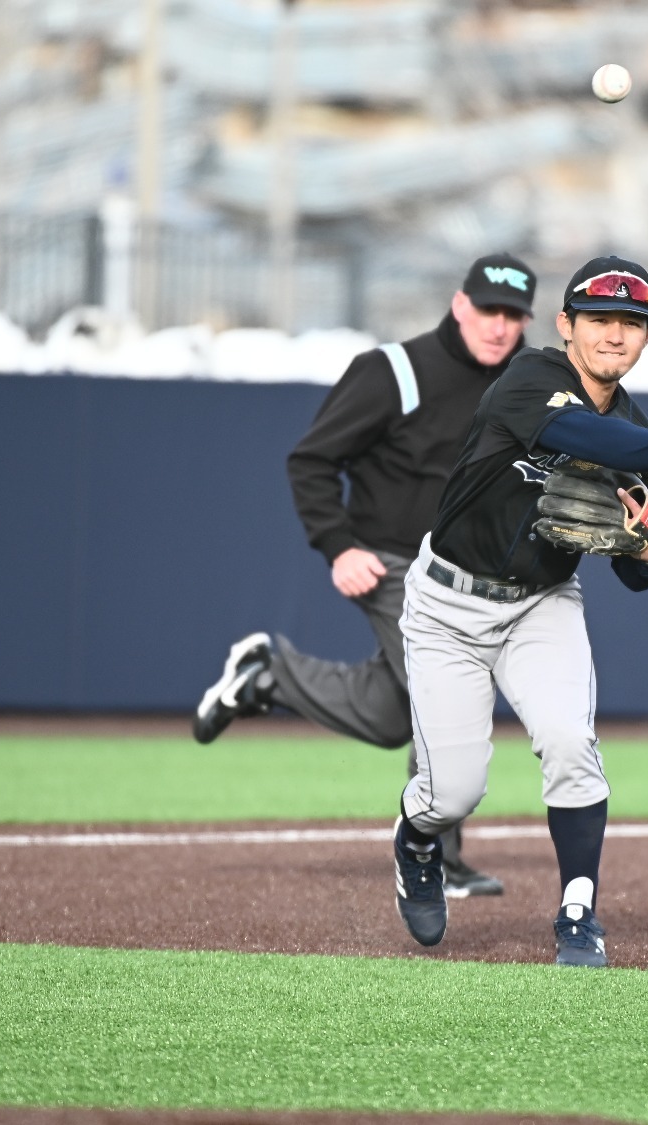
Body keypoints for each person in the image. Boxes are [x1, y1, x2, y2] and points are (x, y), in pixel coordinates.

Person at [387, 255, 648, 967]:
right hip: (447, 605)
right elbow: (589, 437)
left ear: (646, 339)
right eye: (600, 320)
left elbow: (645, 572)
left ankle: (577, 910)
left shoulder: (639, 441)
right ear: (566, 326)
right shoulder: (529, 380)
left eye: (632, 325)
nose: (615, 336)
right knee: (453, 791)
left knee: (570, 744)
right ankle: (418, 838)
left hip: (540, 605)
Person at [192, 253, 542, 898]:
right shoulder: (395, 371)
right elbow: (312, 460)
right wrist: (339, 546)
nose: (499, 326)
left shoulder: (521, 380)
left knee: (391, 716)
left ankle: (273, 674)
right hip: (394, 564)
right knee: (444, 699)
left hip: (466, 572)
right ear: (460, 304)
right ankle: (438, 858)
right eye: (489, 309)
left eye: (514, 315)